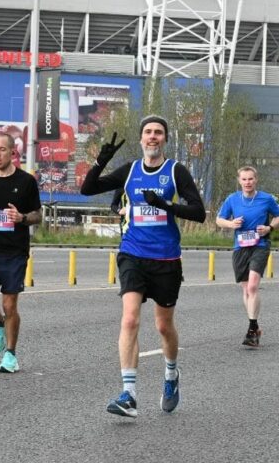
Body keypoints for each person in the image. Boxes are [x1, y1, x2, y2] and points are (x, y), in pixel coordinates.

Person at [80, 115, 206, 418]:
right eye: (148, 132)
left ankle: (171, 375)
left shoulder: (176, 171)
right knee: (130, 320)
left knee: (163, 325)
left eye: (158, 133)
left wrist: (165, 205)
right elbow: (87, 190)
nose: (152, 137)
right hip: (132, 252)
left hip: (166, 258)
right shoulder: (130, 170)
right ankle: (129, 394)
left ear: (165, 139)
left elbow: (199, 213)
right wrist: (100, 161)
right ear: (140, 139)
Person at [0, 133, 42, 373]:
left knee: (10, 305)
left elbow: (38, 215)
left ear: (12, 152)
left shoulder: (26, 182)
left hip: (15, 252)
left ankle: (11, 354)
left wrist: (21, 218)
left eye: (2, 149)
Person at [216, 166, 279, 347]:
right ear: (239, 181)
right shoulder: (232, 199)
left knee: (253, 286)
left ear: (256, 180)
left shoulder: (266, 198)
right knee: (246, 289)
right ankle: (255, 324)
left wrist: (269, 228)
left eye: (251, 179)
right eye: (244, 179)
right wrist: (231, 224)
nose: (248, 182)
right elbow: (219, 219)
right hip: (240, 247)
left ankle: (252, 328)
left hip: (260, 245)